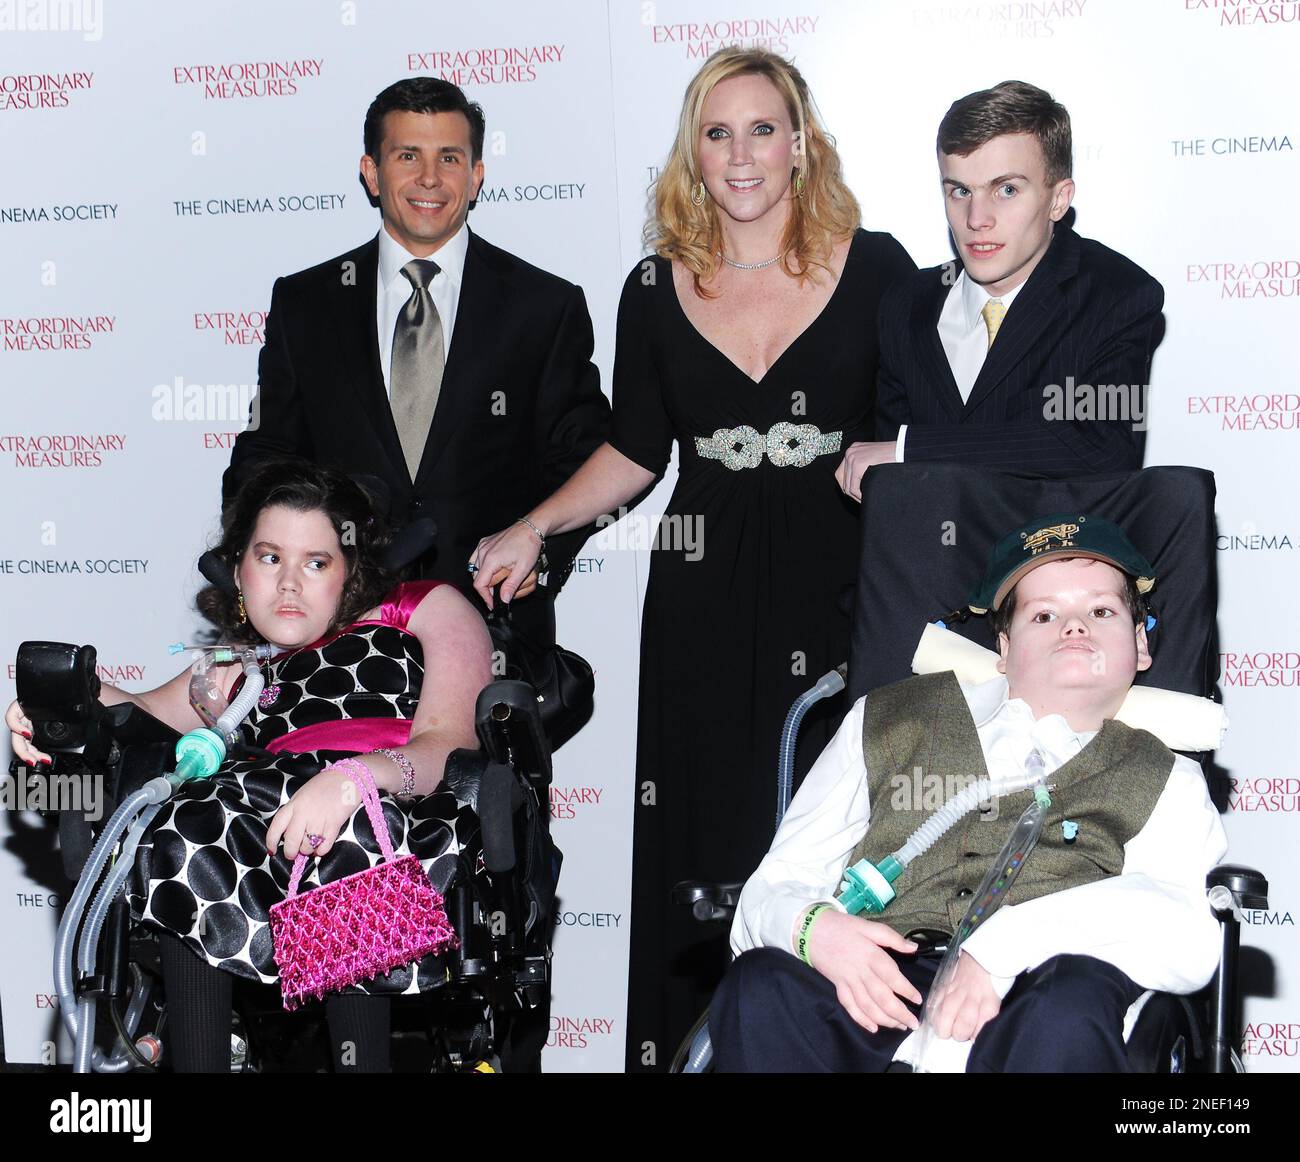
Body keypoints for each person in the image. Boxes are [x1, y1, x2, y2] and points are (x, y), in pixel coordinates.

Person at [469, 47, 915, 1071]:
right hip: (699, 595)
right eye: (717, 133)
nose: (741, 154)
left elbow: (913, 427)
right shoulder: (653, 283)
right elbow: (634, 449)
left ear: (800, 144)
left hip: (842, 585)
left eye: (762, 128)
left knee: (832, 828)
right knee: (704, 831)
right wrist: (536, 524)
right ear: (692, 152)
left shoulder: (879, 264)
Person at [9, 461, 494, 1072]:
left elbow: (449, 746)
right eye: (269, 558)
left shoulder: (420, 608)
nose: (289, 583)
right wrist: (58, 704)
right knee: (182, 827)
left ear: (350, 573)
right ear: (239, 571)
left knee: (350, 839)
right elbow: (133, 711)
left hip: (393, 803)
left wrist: (354, 779)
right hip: (262, 817)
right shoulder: (237, 664)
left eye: (316, 562)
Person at [711, 514, 1227, 1072]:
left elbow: (1188, 931)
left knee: (1067, 1008)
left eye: (1101, 610)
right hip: (878, 988)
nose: (1074, 627)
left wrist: (1001, 948)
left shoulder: (1165, 776)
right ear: (1003, 648)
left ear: (1140, 642)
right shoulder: (887, 721)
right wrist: (816, 930)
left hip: (1038, 1001)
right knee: (760, 987)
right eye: (1044, 614)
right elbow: (772, 887)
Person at [223, 76, 610, 647]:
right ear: (372, 172)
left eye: (449, 158)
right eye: (408, 155)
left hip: (492, 633)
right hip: (334, 636)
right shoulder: (306, 303)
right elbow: (267, 455)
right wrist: (260, 560)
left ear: (476, 175)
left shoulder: (544, 306)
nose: (430, 178)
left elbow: (586, 461)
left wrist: (541, 551)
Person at [836, 81, 1165, 498]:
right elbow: (893, 494)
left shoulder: (1116, 294)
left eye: (1006, 189)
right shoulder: (908, 305)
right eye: (960, 191)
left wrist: (911, 450)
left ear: (1059, 199)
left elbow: (1102, 448)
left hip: (1053, 556)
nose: (977, 218)